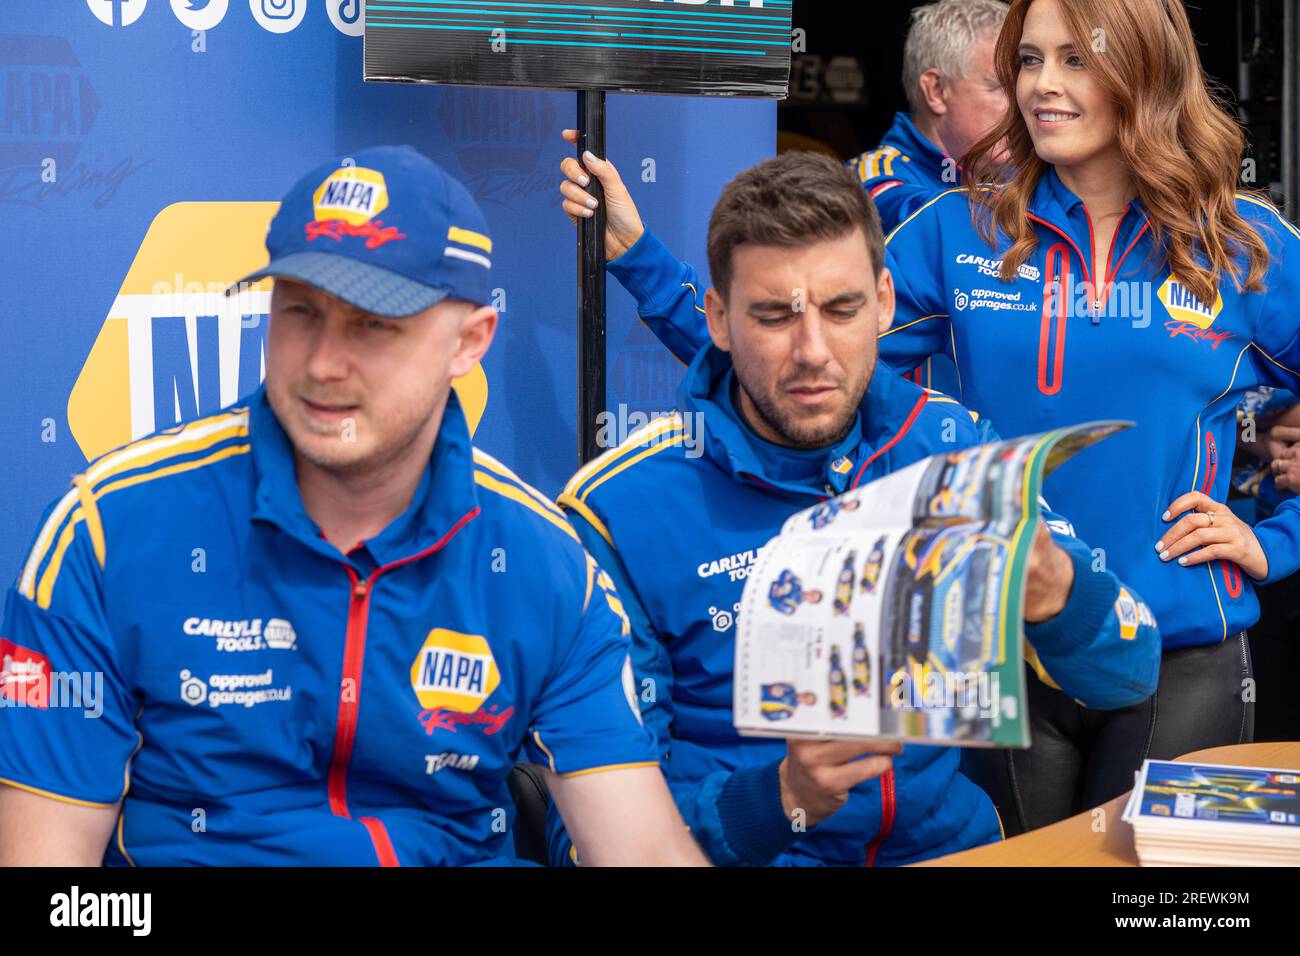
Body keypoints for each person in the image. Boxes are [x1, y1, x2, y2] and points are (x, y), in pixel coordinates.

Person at [560, 0, 1300, 837]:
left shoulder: (1240, 244)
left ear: (1145, 70)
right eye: (1028, 62)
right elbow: (802, 354)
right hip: (999, 645)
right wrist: (641, 259)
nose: (1042, 87)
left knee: (1158, 902)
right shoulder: (959, 229)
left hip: (1176, 643)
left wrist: (1275, 541)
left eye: (1074, 61)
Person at [0, 146, 708, 867]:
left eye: (374, 323)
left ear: (472, 341)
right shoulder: (107, 531)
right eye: (300, 312)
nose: (322, 364)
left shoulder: (548, 564)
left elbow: (640, 850)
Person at [547, 152, 1160, 867]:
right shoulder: (616, 510)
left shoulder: (949, 442)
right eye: (774, 316)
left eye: (843, 311)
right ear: (716, 318)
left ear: (886, 302)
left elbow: (1129, 672)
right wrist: (781, 797)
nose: (813, 353)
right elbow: (587, 847)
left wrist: (1057, 591)